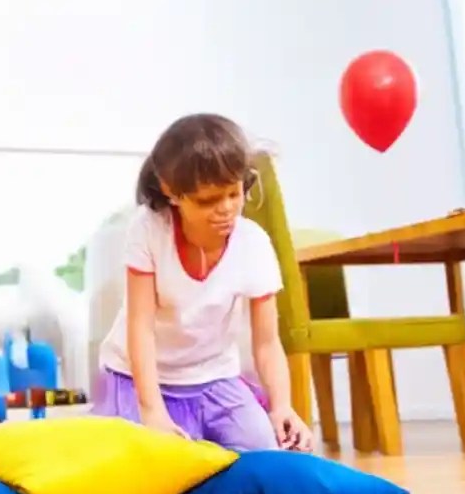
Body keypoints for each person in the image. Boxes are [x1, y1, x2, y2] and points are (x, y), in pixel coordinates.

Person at [92, 114, 313, 453]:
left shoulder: (253, 243)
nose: (225, 209)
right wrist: (152, 413)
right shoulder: (149, 229)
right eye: (207, 201)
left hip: (214, 380)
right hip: (142, 378)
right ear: (171, 192)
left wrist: (282, 406)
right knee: (155, 463)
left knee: (264, 451)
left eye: (233, 193)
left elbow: (267, 343)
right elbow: (141, 327)